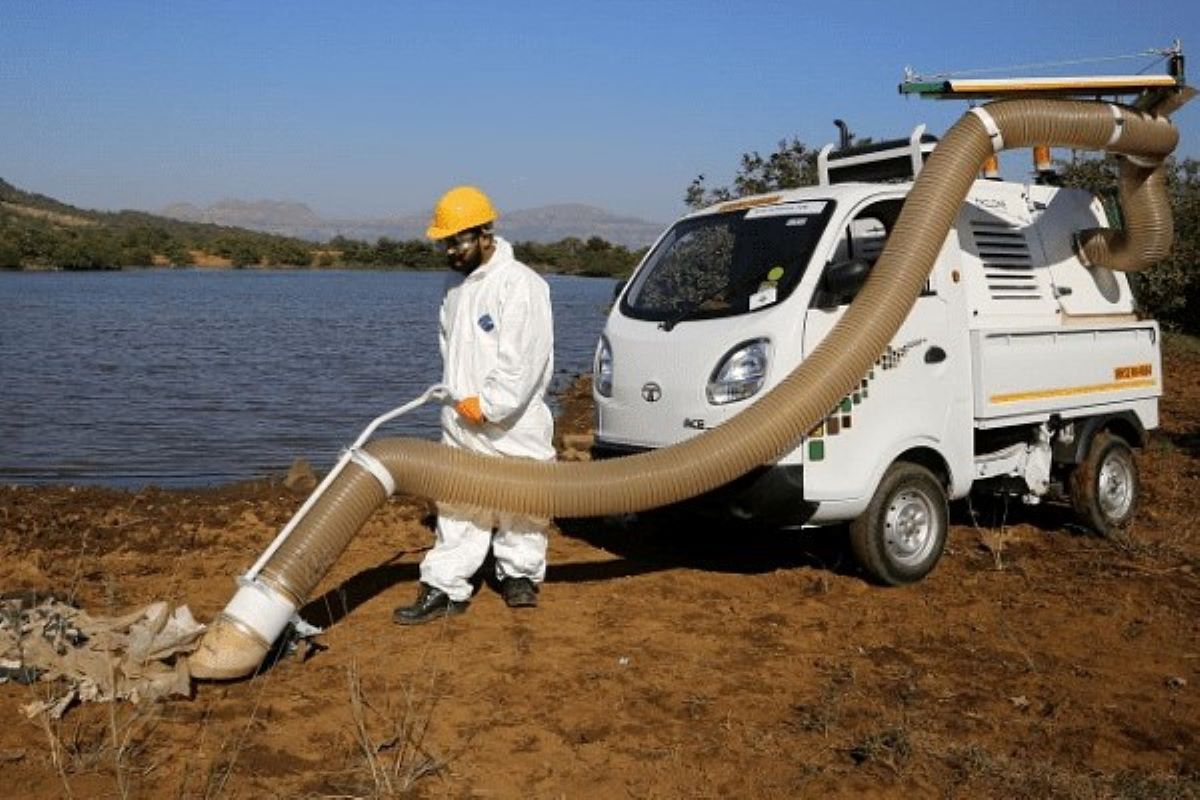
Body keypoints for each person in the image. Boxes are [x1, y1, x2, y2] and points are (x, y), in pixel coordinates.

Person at [393, 186, 556, 625]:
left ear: (485, 235)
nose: (450, 250)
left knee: (522, 501)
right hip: (460, 420)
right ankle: (446, 587)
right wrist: (456, 400)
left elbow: (523, 358)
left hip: (512, 424)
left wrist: (490, 404)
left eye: (457, 240)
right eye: (445, 242)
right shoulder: (454, 286)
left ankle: (519, 574)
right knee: (458, 505)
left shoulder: (521, 284)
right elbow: (450, 347)